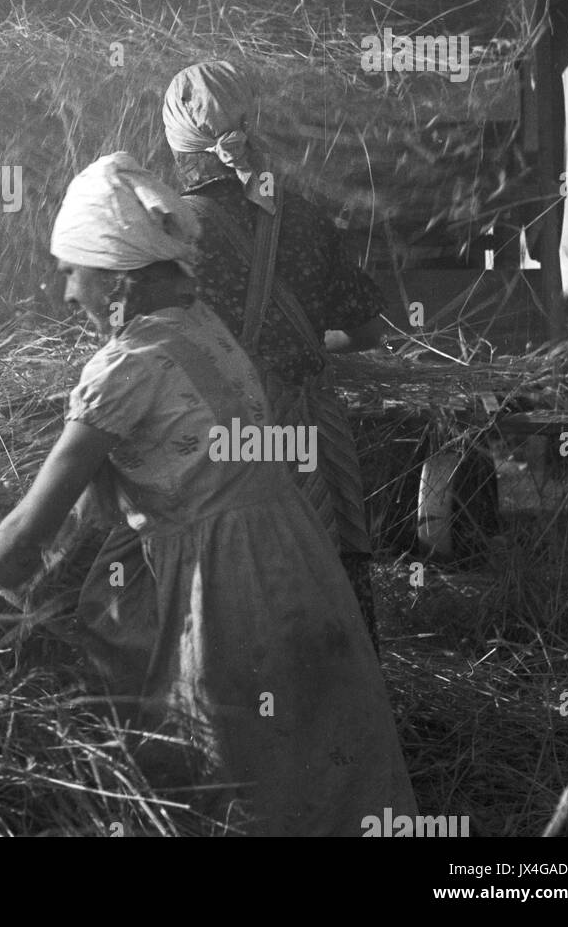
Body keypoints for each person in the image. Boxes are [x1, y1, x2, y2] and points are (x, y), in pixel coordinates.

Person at [0, 153, 416, 835]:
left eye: (70, 272)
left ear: (117, 280)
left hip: (222, 588)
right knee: (309, 765)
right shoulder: (206, 329)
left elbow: (31, 528)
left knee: (225, 775)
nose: (64, 293)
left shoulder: (125, 367)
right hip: (292, 560)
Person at [162, 61, 394, 645]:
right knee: (323, 572)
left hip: (222, 438)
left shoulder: (169, 232)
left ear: (177, 141)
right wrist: (300, 349)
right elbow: (368, 331)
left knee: (236, 587)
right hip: (310, 431)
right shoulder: (307, 215)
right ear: (250, 121)